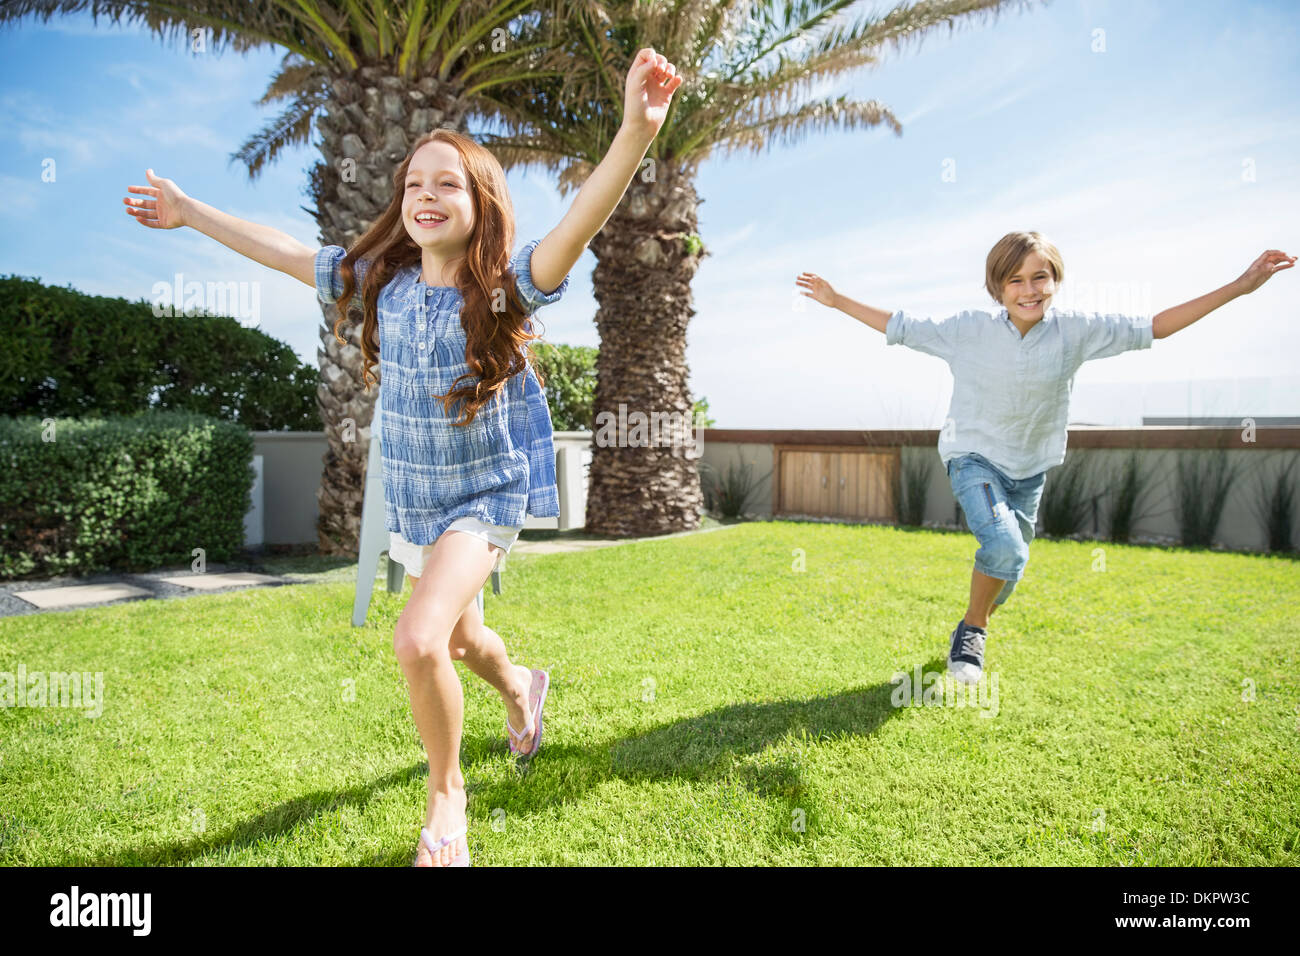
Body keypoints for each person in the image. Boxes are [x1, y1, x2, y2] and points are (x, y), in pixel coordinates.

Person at [125, 47, 684, 867]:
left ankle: (447, 801)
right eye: (415, 183)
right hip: (421, 505)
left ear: (480, 202)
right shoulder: (380, 285)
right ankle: (524, 687)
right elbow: (282, 249)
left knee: (418, 641)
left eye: (448, 183)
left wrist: (636, 129)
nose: (427, 194)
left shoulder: (506, 287)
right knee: (462, 643)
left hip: (484, 500)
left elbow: (579, 221)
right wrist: (189, 211)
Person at [797, 233, 1293, 684]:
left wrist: (1239, 286)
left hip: (1031, 470)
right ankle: (971, 634)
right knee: (1005, 549)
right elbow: (900, 325)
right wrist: (836, 299)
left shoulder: (1075, 331)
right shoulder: (968, 330)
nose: (1028, 289)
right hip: (973, 457)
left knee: (1008, 570)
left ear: (1056, 281)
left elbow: (1156, 327)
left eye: (1040, 277)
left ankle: (979, 613)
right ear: (997, 288)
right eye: (1014, 280)